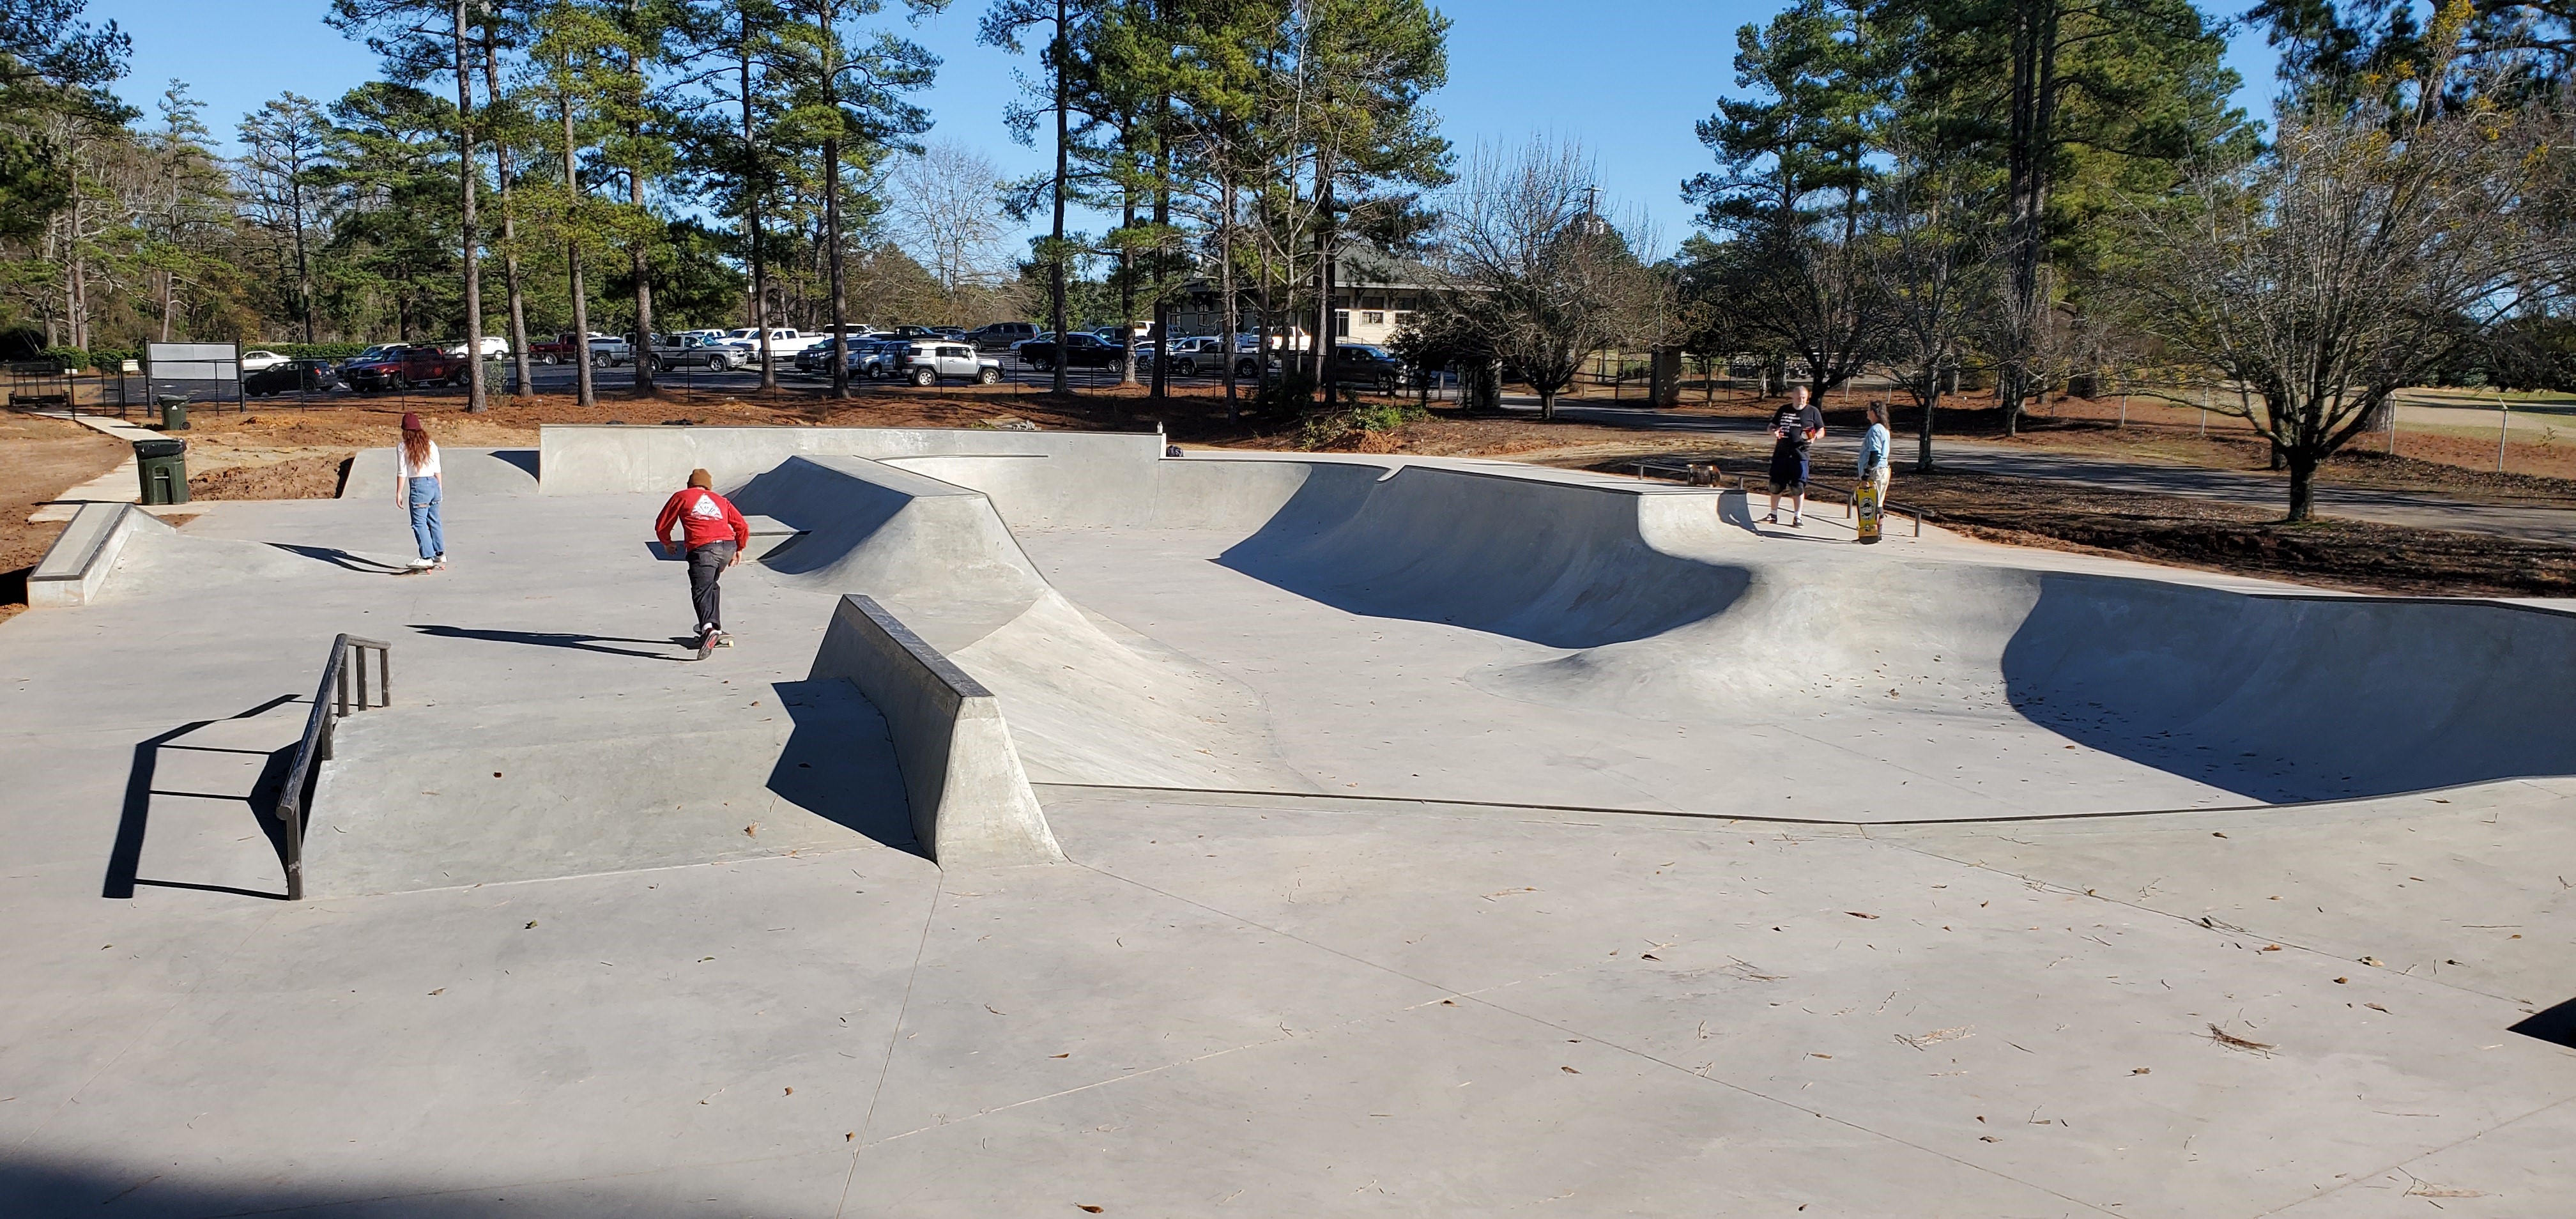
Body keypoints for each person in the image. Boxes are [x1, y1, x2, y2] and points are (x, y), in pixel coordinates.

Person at [656, 468, 750, 656]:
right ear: (708, 486)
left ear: (690, 485)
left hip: (703, 548)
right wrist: (739, 548)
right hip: (727, 547)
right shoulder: (721, 500)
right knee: (711, 586)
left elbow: (662, 523)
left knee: (701, 589)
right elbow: (742, 526)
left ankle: (708, 629)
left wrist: (667, 542)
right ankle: (715, 627)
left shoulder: (682, 496)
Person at [1763, 385, 1825, 526]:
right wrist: (1774, 432)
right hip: (1781, 454)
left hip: (1800, 454)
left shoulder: (1812, 412)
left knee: (1798, 486)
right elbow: (1771, 426)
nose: (1801, 400)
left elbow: (1821, 430)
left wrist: (1814, 438)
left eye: (1804, 398)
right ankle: (1773, 514)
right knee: (1776, 485)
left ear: (1807, 397)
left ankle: (1798, 517)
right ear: (1793, 396)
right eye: (1798, 397)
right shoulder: (1784, 409)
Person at [395, 413, 443, 571]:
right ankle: (440, 554)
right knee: (434, 520)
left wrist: (399, 493)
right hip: (434, 484)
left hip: (419, 486)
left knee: (419, 523)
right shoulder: (431, 444)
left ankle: (427, 557)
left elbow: (402, 472)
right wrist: (440, 489)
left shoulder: (403, 447)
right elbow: (437, 469)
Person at [1859, 401, 1892, 505]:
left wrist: (1866, 474)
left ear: (1874, 413)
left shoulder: (1875, 430)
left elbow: (1875, 453)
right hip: (1883, 470)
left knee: (1870, 506)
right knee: (1878, 503)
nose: (1866, 412)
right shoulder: (1884, 429)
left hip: (1875, 472)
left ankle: (1873, 522)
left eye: (1868, 410)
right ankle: (1880, 520)